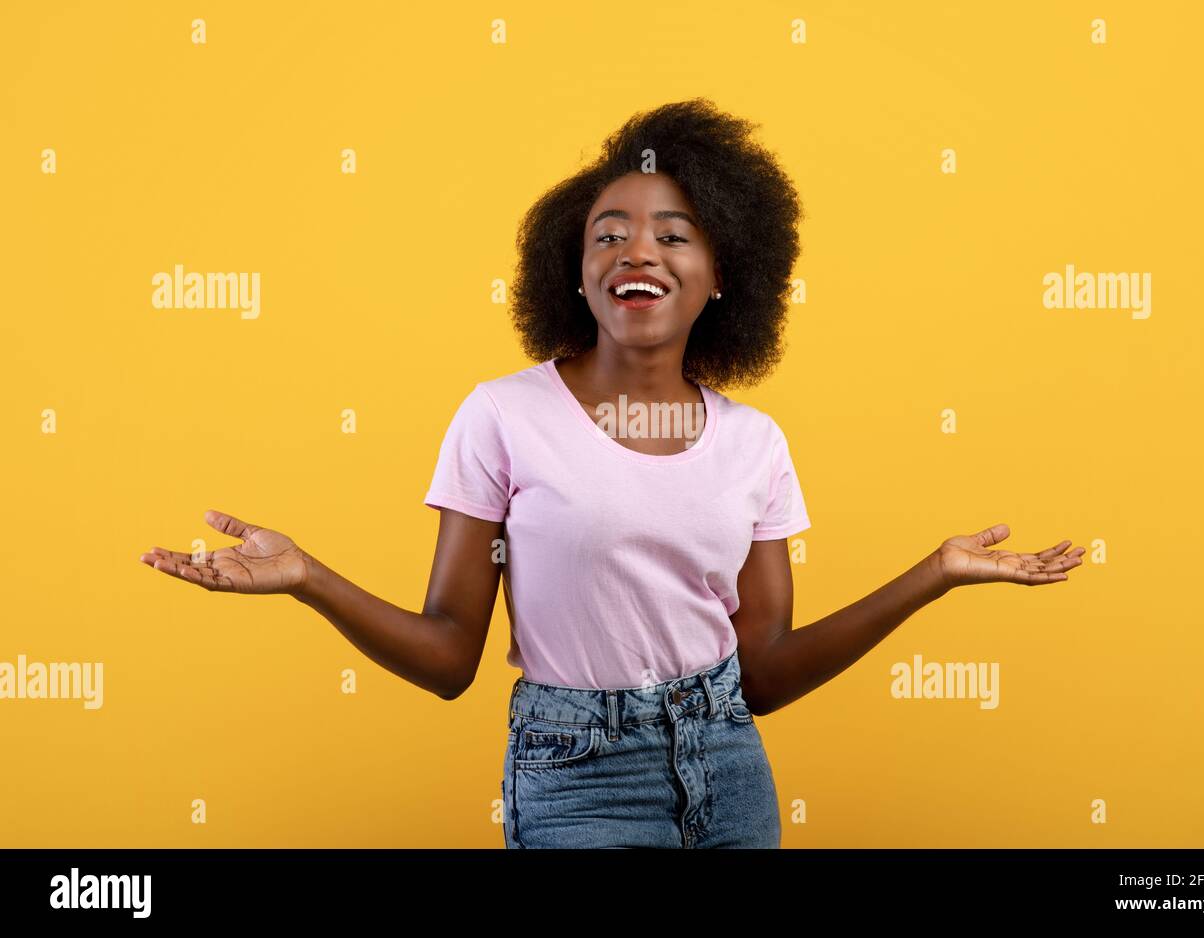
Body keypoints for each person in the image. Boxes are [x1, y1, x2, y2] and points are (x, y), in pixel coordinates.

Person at [139, 98, 1084, 849]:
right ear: (577, 274)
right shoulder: (503, 416)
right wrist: (308, 576)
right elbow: (447, 658)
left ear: (722, 274)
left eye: (674, 235)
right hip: (574, 772)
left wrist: (934, 575)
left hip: (730, 768)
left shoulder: (755, 443)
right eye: (609, 235)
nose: (639, 251)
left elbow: (766, 672)